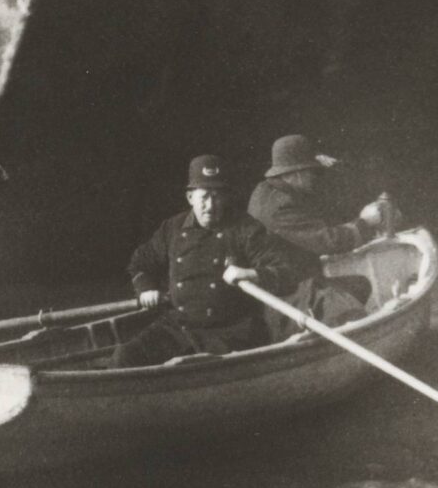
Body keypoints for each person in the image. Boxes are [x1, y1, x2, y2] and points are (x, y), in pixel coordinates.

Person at [106, 154, 316, 368]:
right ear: (190, 198)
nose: (211, 205)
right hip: (178, 326)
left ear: (225, 198)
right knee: (125, 356)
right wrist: (145, 289)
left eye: (217, 196)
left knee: (189, 367)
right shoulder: (172, 228)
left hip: (230, 331)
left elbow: (286, 270)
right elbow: (140, 263)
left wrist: (251, 274)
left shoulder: (245, 228)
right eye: (204, 196)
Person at [247, 134, 396, 257]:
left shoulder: (266, 190)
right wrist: (365, 222)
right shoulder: (280, 208)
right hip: (288, 283)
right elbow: (328, 243)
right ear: (298, 174)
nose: (314, 178)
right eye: (312, 172)